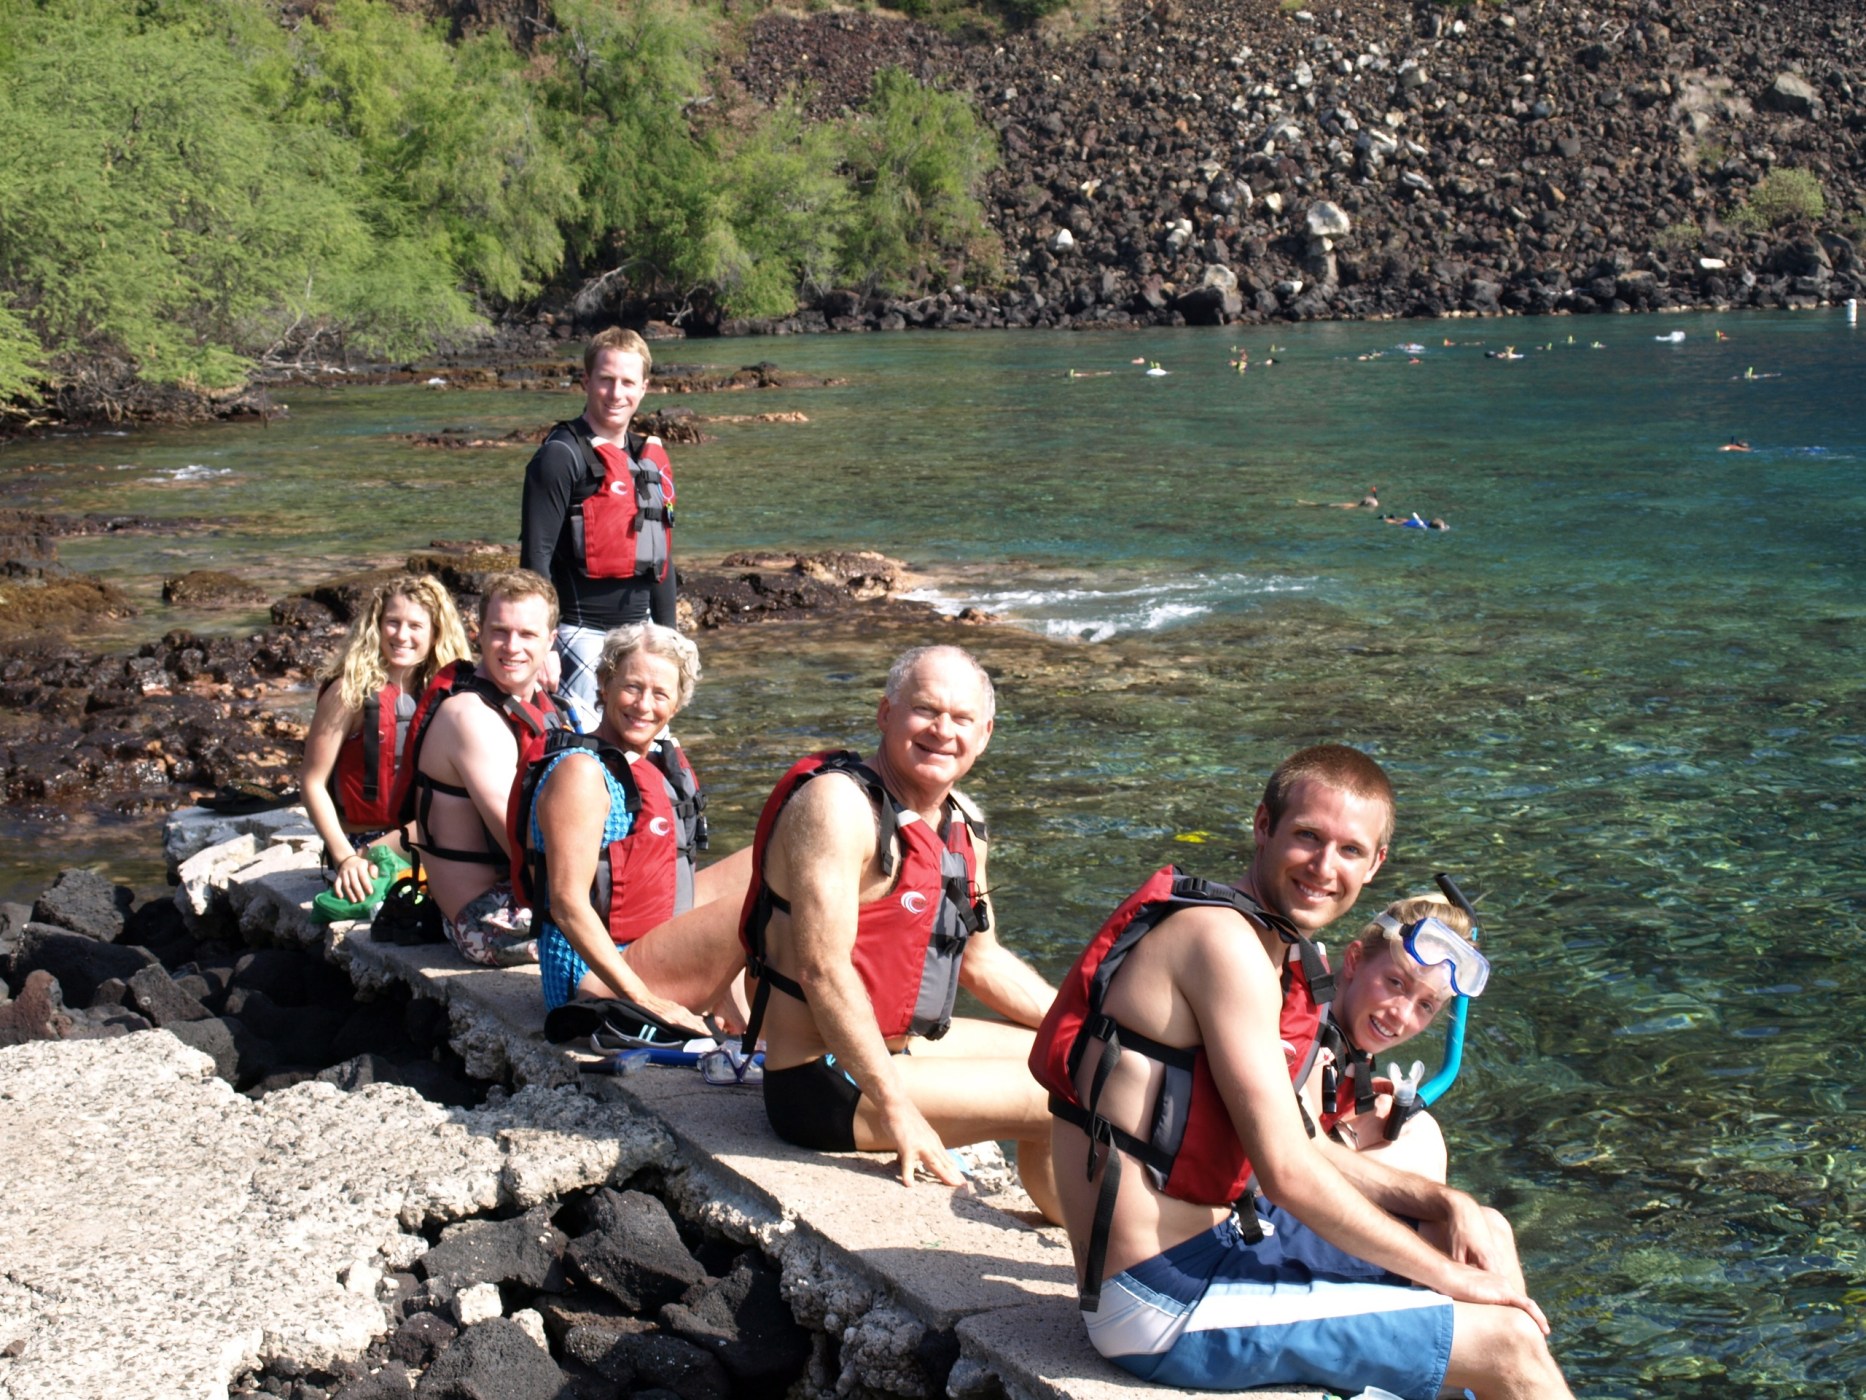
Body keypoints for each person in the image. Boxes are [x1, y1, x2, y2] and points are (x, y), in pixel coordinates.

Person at [1031, 745, 1571, 1398]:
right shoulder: (1222, 944)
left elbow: (1304, 1140)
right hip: (1165, 1301)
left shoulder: (1271, 947)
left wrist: (1444, 1202)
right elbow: (1286, 1174)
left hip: (1223, 1247)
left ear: (1375, 865)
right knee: (1509, 1346)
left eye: (1348, 850)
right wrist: (1453, 1281)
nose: (1323, 867)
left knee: (1478, 1229)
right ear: (1263, 826)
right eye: (1307, 837)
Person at [738, 644, 1062, 1219]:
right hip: (823, 1080)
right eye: (925, 711)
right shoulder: (838, 806)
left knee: (1086, 1062)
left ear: (984, 733)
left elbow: (984, 963)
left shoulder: (963, 823)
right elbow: (823, 969)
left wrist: (1097, 1027)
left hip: (904, 1047)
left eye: (961, 719)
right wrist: (898, 1108)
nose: (943, 731)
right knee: (1068, 1096)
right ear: (886, 714)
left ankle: (1070, 1227)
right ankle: (1124, 1270)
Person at [525, 623, 753, 1032]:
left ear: (678, 703)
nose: (644, 705)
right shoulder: (581, 773)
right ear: (605, 684)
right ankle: (768, 1032)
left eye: (660, 693)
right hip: (591, 979)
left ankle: (753, 1017)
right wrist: (646, 1000)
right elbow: (566, 904)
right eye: (632, 687)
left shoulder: (651, 767)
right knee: (766, 905)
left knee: (774, 863)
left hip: (649, 946)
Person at [394, 570, 565, 968]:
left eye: (527, 635)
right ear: (479, 633)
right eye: (500, 632)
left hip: (525, 897)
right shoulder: (469, 716)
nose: (512, 647)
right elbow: (524, 845)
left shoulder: (534, 698)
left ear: (550, 642)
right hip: (487, 921)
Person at [520, 326, 676, 719]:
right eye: (605, 380)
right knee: (591, 758)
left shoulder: (647, 459)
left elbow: (663, 560)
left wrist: (669, 642)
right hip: (580, 635)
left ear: (644, 387)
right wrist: (543, 647)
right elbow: (535, 555)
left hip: (640, 635)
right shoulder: (560, 456)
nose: (616, 393)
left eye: (627, 382)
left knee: (652, 761)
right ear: (586, 381)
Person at [300, 574, 470, 908]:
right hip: (361, 844)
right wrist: (345, 858)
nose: (402, 635)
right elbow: (311, 782)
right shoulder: (348, 692)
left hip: (422, 834)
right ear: (376, 626)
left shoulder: (450, 693)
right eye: (392, 622)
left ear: (436, 632)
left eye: (415, 626)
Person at [1301, 894, 1487, 1182]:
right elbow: (1281, 1172)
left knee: (1420, 1132)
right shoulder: (1308, 1040)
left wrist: (1352, 1101)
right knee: (1422, 1140)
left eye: (1426, 1005)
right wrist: (1354, 1134)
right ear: (1354, 960)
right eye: (1396, 983)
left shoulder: (1349, 1040)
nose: (1402, 1015)